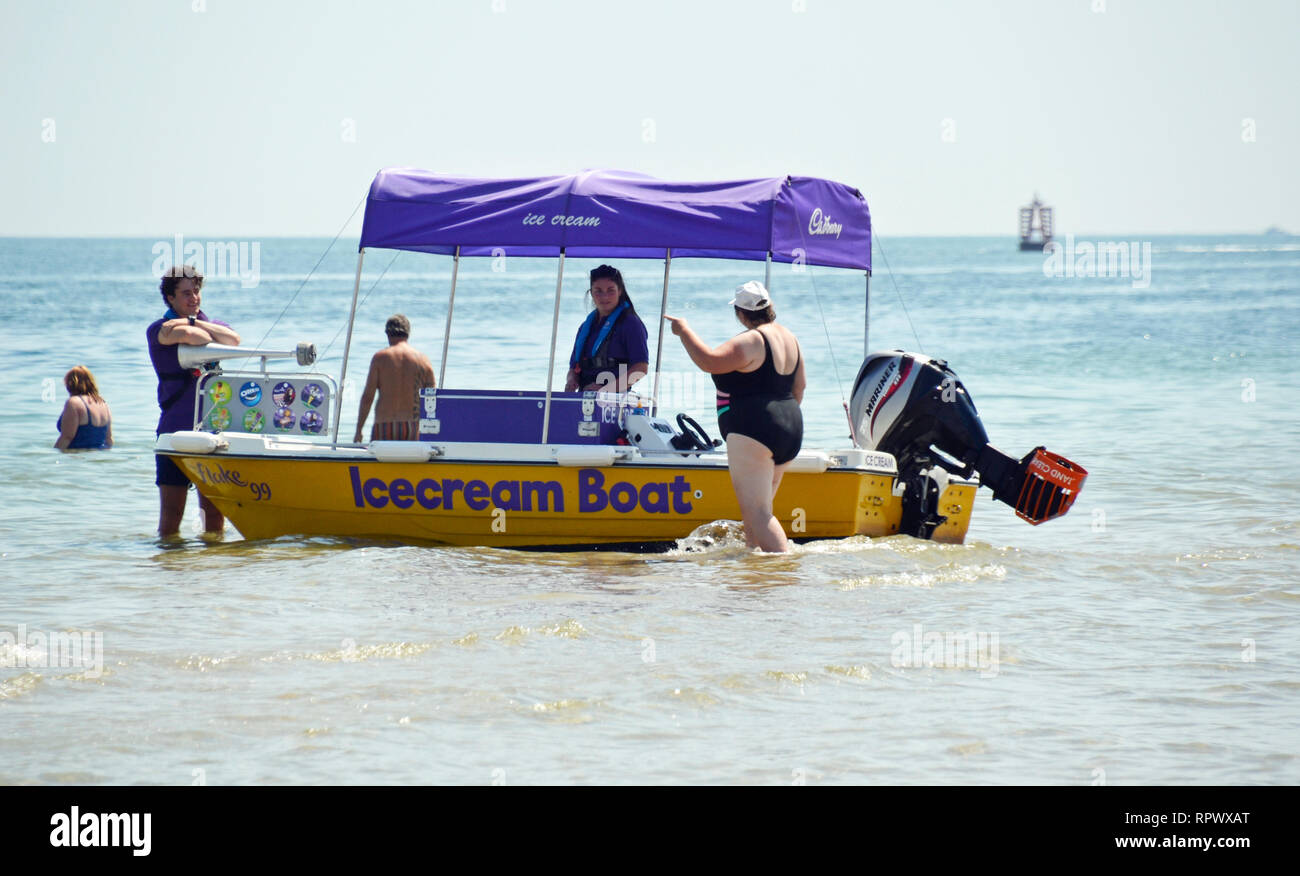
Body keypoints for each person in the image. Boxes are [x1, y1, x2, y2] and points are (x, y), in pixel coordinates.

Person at [665, 281, 805, 553]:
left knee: (759, 513)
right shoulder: (790, 338)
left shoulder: (753, 340)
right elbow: (800, 387)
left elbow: (710, 361)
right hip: (790, 425)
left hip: (755, 429)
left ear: (741, 313)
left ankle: (782, 573)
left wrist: (683, 331)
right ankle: (754, 578)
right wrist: (779, 419)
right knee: (757, 513)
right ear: (769, 307)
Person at [148, 266, 242, 537]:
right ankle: (170, 569)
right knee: (171, 517)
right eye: (186, 293)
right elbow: (195, 338)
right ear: (170, 298)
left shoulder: (210, 322)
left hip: (211, 432)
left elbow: (233, 340)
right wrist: (194, 325)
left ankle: (209, 571)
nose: (194, 298)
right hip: (174, 432)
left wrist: (193, 320)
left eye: (197, 291)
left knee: (213, 515)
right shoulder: (158, 328)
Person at [564, 264, 650, 393]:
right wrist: (571, 380)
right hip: (584, 400)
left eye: (610, 290)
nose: (605, 297)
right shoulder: (584, 327)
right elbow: (573, 368)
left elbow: (641, 368)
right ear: (591, 293)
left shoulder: (631, 324)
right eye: (598, 291)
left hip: (615, 402)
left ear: (620, 291)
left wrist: (606, 391)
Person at [354, 314, 437, 442]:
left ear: (387, 334)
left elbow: (368, 397)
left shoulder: (380, 358)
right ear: (408, 334)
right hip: (412, 426)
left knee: (381, 460)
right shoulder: (423, 360)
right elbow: (432, 399)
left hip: (384, 425)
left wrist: (359, 430)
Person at [54, 365, 113, 450]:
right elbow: (109, 440)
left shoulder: (73, 403)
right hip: (98, 456)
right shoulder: (103, 404)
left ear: (70, 383)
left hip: (77, 458)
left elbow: (67, 437)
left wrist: (51, 458)